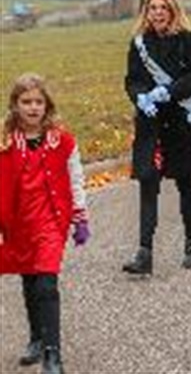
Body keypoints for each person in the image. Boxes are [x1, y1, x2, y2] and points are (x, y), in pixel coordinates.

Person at [0, 74, 89, 374]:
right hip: (17, 224)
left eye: (38, 101)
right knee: (29, 282)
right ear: (15, 105)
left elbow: (76, 179)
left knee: (47, 283)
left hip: (51, 222)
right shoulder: (5, 142)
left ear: (47, 105)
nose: (33, 107)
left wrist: (80, 216)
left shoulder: (62, 141)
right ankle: (36, 338)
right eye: (26, 102)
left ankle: (53, 354)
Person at [122, 0, 191, 276]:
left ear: (172, 10)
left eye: (162, 8)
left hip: (180, 123)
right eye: (152, 8)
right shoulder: (139, 44)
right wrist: (140, 97)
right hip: (150, 125)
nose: (157, 13)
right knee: (148, 185)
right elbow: (131, 79)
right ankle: (144, 252)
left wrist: (168, 92)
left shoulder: (188, 40)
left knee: (186, 184)